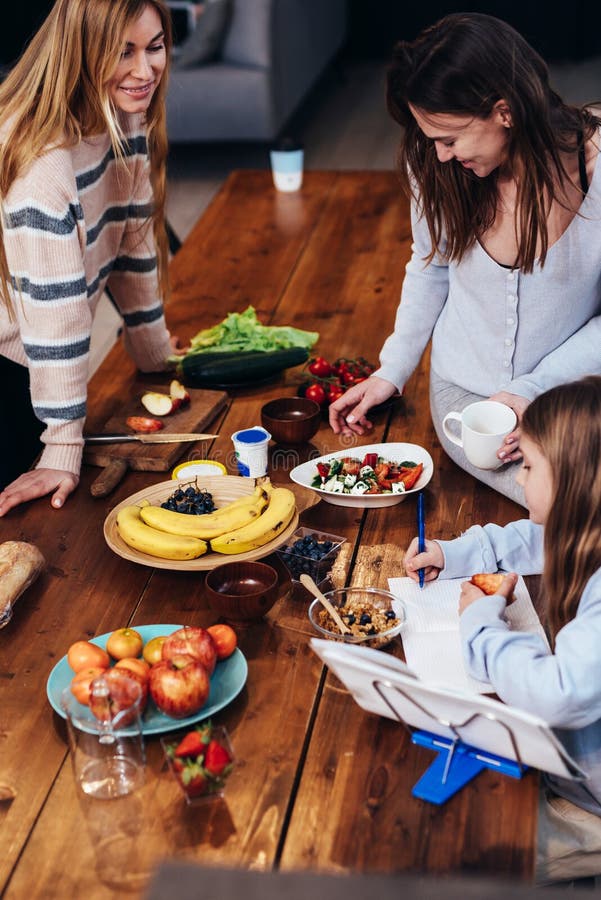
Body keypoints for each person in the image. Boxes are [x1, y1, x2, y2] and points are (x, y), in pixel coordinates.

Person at [329, 12, 601, 507]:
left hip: (575, 394)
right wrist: (392, 370)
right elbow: (429, 267)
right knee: (569, 502)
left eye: (450, 139)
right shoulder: (432, 164)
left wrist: (531, 390)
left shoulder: (596, 165)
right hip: (470, 404)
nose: (439, 156)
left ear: (505, 112)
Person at [404, 375, 601, 884]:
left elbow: (559, 693)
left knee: (444, 848)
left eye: (530, 467)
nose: (517, 479)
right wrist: (453, 555)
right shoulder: (588, 528)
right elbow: (537, 538)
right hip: (576, 767)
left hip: (588, 803)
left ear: (574, 479)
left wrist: (479, 623)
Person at [0, 0, 184, 516]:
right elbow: (56, 314)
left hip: (42, 355)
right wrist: (61, 444)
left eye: (155, 47)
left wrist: (153, 352)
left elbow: (132, 239)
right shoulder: (42, 165)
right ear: (81, 52)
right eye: (122, 52)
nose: (144, 71)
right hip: (14, 357)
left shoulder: (122, 114)